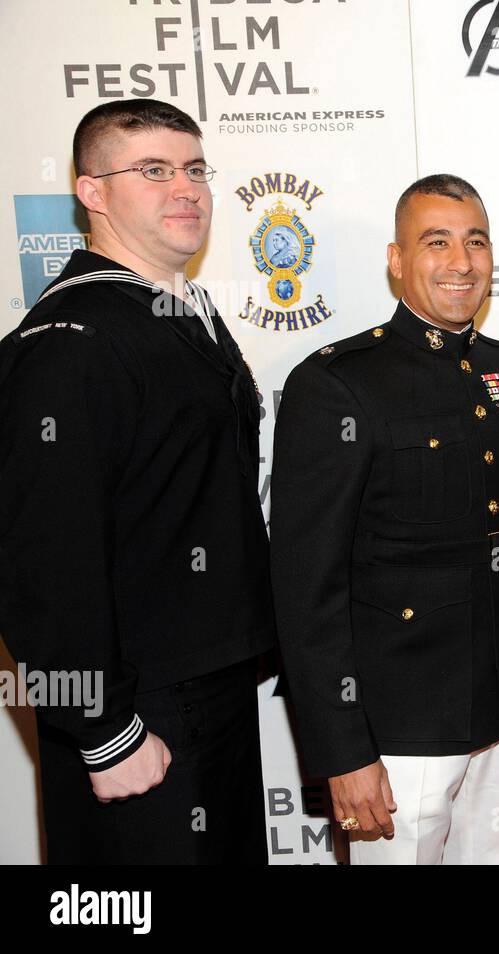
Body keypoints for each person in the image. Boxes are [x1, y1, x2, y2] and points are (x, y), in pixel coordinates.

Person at [0, 99, 273, 863]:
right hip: (138, 714)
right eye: (152, 170)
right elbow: (42, 563)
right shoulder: (69, 343)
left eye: (193, 169)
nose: (184, 189)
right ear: (91, 192)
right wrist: (105, 732)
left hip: (206, 687)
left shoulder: (179, 309)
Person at [270, 174, 499, 864]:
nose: (461, 261)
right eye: (436, 242)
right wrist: (343, 751)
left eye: (475, 241)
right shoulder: (336, 384)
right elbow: (306, 587)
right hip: (399, 729)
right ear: (397, 260)